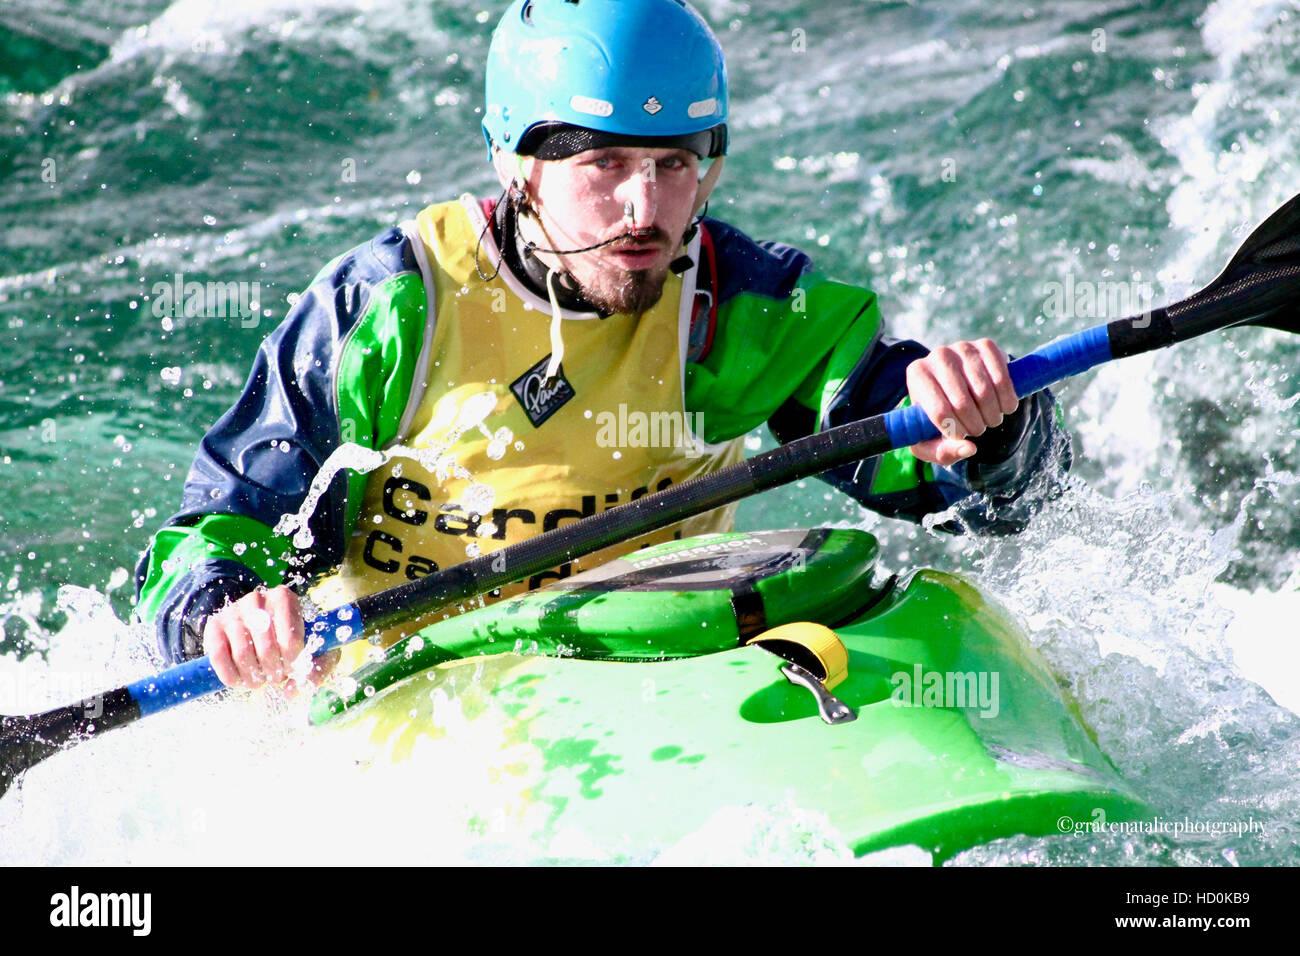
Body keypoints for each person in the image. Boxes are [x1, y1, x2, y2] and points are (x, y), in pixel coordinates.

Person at [134, 0, 1067, 693]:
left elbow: (976, 485)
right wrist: (227, 610)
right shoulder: (394, 311)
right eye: (605, 164)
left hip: (667, 668)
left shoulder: (733, 307)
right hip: (425, 692)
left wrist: (989, 431)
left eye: (673, 165)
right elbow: (213, 525)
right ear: (519, 166)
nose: (644, 209)